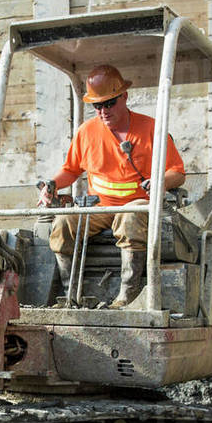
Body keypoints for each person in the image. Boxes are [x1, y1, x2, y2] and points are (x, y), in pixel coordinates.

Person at [39, 64, 185, 307]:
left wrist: (160, 182)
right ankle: (71, 296)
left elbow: (178, 173)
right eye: (97, 106)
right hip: (100, 208)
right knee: (63, 222)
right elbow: (71, 169)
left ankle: (127, 295)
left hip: (139, 206)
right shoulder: (87, 132)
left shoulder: (151, 129)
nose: (103, 111)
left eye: (109, 103)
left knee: (130, 215)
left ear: (124, 97)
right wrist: (52, 184)